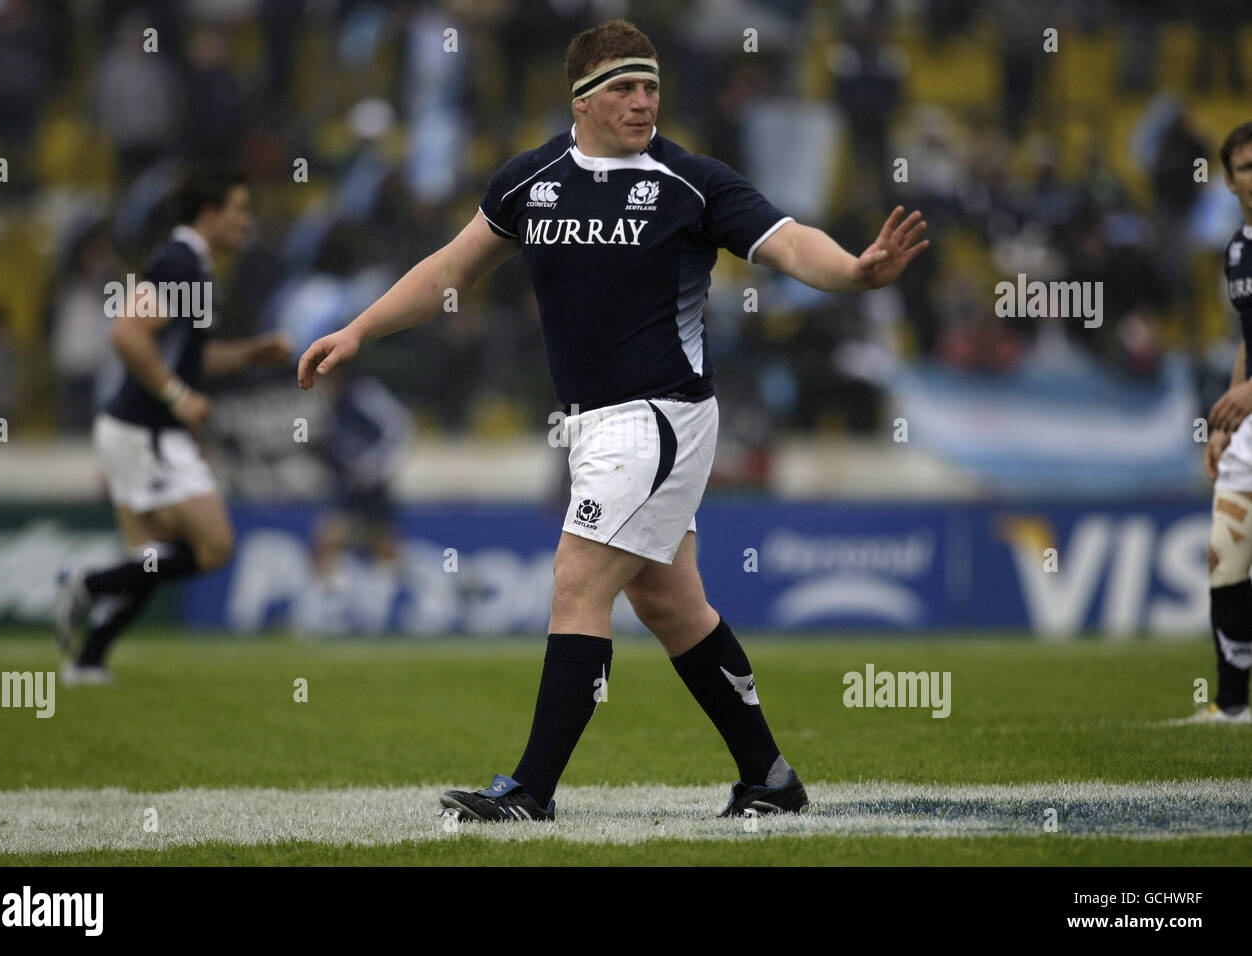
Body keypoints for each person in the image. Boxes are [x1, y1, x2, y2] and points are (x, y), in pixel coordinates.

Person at [297, 19, 928, 819]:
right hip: (594, 425)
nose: (643, 102)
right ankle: (769, 778)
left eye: (652, 86)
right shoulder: (531, 181)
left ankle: (530, 792)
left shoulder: (690, 181)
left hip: (658, 418)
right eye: (625, 88)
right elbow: (449, 269)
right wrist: (358, 330)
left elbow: (788, 241)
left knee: (575, 583)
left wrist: (852, 270)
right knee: (670, 605)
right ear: (583, 98)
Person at [54, 170, 291, 684]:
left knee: (151, 560)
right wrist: (177, 397)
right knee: (215, 546)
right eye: (240, 209)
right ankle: (90, 584)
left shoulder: (194, 266)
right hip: (146, 430)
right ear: (209, 215)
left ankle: (89, 659)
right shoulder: (178, 262)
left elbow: (191, 359)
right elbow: (127, 334)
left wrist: (253, 353)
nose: (247, 221)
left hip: (135, 427)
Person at [1192, 121, 1252, 724]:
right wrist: (1229, 418)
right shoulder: (1237, 249)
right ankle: (1232, 704)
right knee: (1224, 555)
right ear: (1230, 179)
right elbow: (1248, 339)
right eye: (1248, 166)